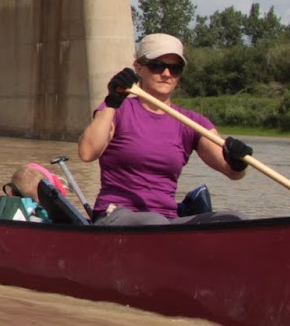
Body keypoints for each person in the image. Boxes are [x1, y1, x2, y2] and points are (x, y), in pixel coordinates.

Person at [76, 32, 252, 226]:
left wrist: (238, 162)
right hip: (117, 214)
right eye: (157, 66)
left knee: (237, 220)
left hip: (167, 220)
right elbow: (87, 152)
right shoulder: (117, 109)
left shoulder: (191, 122)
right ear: (139, 68)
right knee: (155, 222)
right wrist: (112, 102)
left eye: (174, 69)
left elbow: (233, 173)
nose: (167, 74)